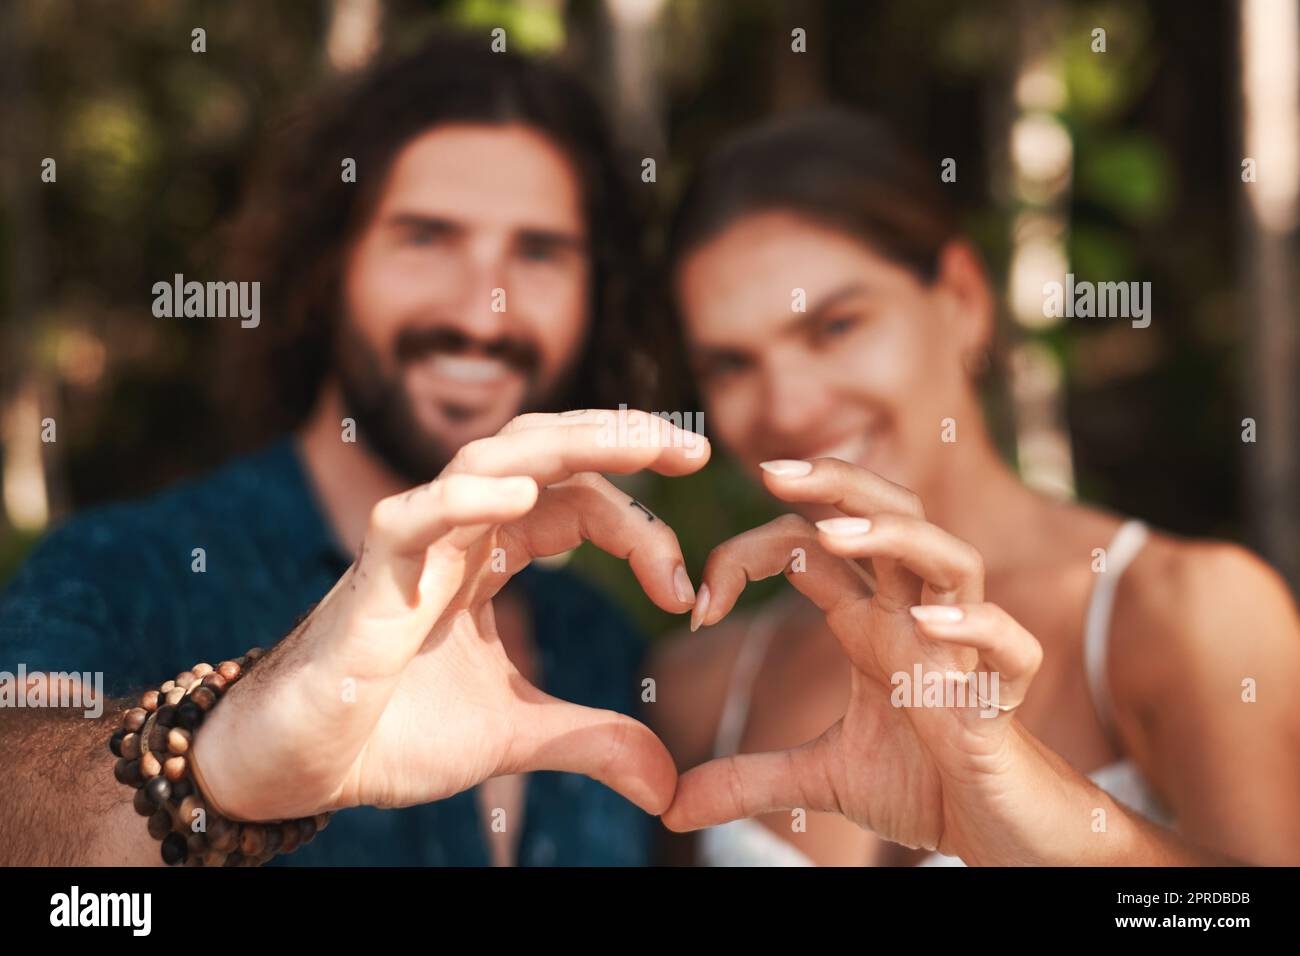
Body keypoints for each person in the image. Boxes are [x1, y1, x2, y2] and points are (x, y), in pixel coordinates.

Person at [0, 33, 706, 867]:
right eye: (427, 237)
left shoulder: (602, 638)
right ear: (328, 268)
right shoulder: (123, 568)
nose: (484, 312)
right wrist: (223, 761)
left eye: (539, 251)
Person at [649, 109, 1300, 866]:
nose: (788, 407)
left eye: (835, 327)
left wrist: (1025, 806)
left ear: (962, 297)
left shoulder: (1185, 613)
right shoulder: (703, 681)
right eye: (731, 365)